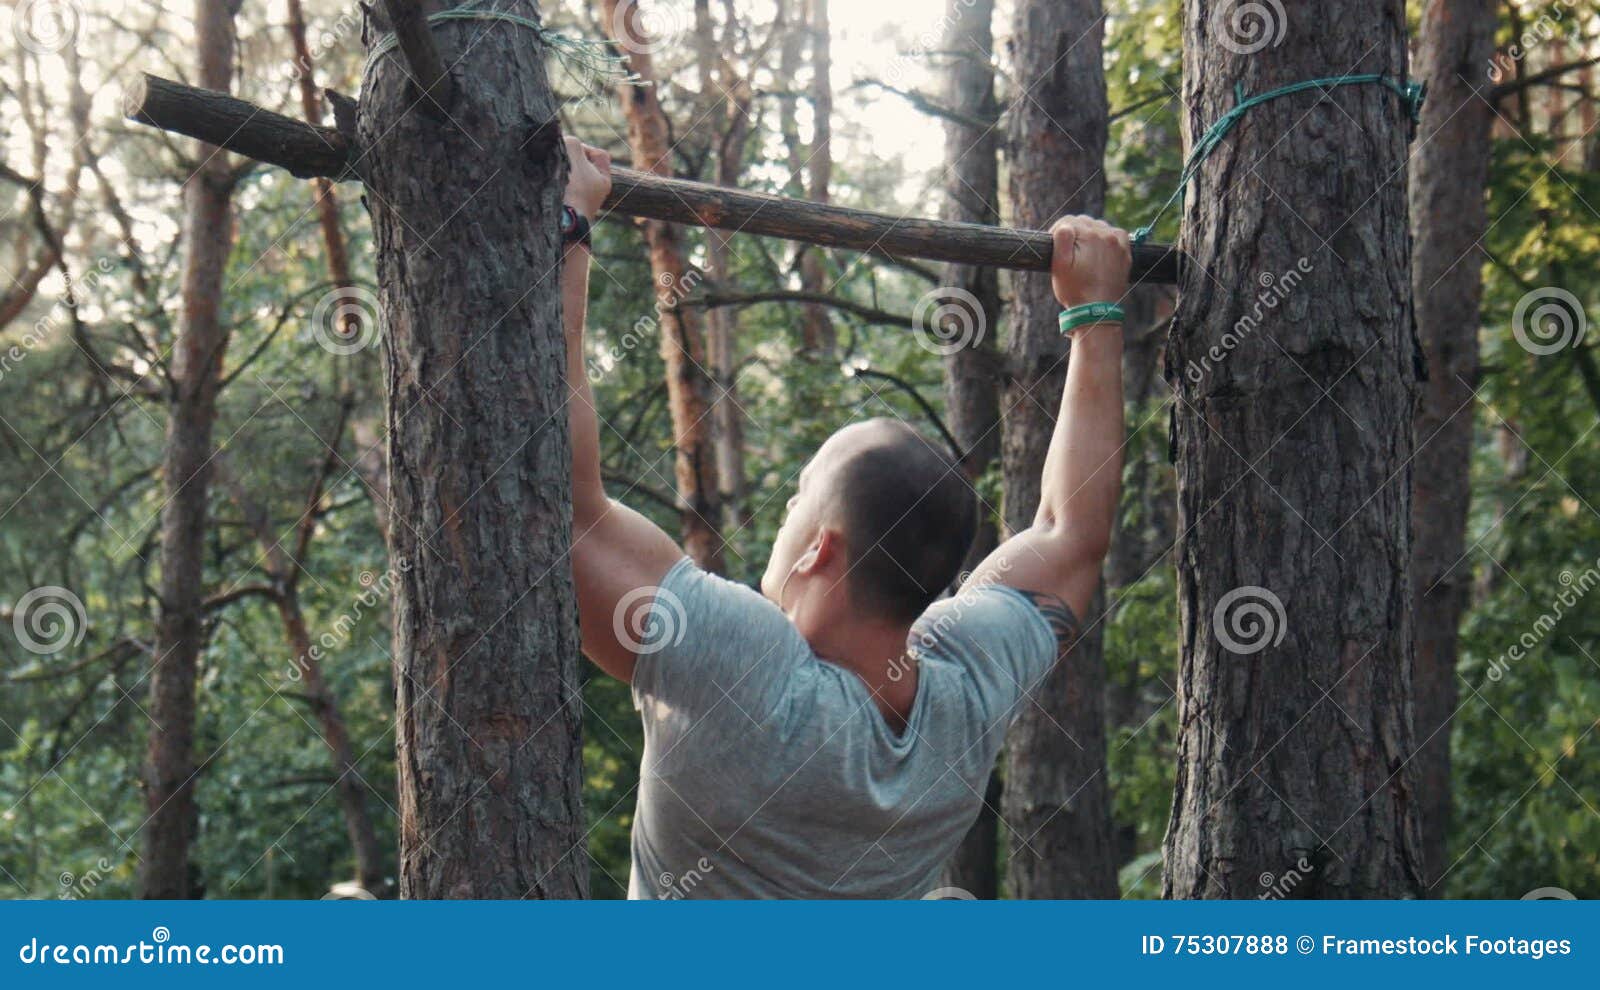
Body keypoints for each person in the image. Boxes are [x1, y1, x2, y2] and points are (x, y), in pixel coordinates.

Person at [558, 138, 1129, 898]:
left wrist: (567, 224)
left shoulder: (738, 668)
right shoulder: (966, 689)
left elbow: (562, 504)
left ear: (819, 550)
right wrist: (1097, 313)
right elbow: (1070, 535)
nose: (787, 510)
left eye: (799, 495)